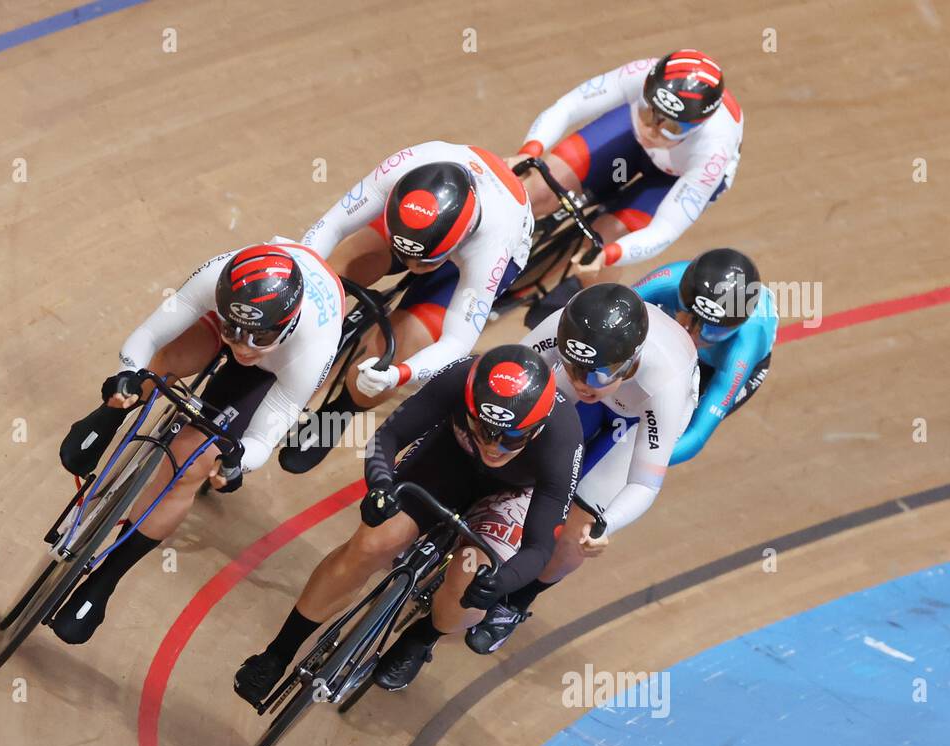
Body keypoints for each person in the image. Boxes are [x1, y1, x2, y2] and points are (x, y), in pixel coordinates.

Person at [234, 344, 584, 704]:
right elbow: (388, 437)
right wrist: (381, 488)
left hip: (510, 493)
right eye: (481, 429)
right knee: (370, 545)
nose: (493, 446)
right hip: (448, 464)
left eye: (511, 438)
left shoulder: (564, 435)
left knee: (467, 593)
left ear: (537, 429)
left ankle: (422, 636)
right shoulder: (460, 375)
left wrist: (500, 582)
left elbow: (540, 547)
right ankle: (278, 653)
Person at [50, 243, 345, 644]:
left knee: (192, 463)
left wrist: (236, 461)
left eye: (258, 338)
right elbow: (150, 336)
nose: (242, 346)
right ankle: (109, 414)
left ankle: (105, 580)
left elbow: (262, 436)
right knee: (162, 365)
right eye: (232, 331)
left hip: (277, 369)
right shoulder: (218, 277)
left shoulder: (313, 347)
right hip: (245, 314)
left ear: (288, 326)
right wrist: (127, 376)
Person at [465, 283, 698, 653]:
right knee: (512, 434)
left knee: (579, 530)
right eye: (572, 366)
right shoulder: (566, 330)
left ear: (630, 362)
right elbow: (510, 373)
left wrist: (608, 524)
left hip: (639, 417)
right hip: (605, 394)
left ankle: (516, 601)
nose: (580, 381)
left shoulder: (665, 383)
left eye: (595, 374)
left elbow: (644, 483)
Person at [277, 141, 535, 473]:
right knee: (333, 274)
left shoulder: (492, 247)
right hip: (419, 225)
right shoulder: (406, 167)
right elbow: (332, 226)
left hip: (485, 251)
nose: (410, 264)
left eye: (422, 261)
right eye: (406, 254)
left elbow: (456, 342)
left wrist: (400, 373)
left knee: (391, 351)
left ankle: (341, 409)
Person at [507, 50, 744, 319]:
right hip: (628, 139)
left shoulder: (714, 149)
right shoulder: (641, 73)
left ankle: (589, 317)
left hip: (674, 177)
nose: (653, 129)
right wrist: (530, 151)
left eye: (671, 128)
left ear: (697, 127)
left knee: (603, 245)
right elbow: (569, 106)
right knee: (533, 188)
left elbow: (665, 229)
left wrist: (610, 254)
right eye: (649, 111)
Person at [633, 248, 777, 463]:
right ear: (679, 298)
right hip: (680, 340)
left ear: (735, 327)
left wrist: (639, 461)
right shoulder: (671, 279)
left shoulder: (745, 345)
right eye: (687, 317)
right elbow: (608, 308)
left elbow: (697, 435)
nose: (693, 334)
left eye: (712, 331)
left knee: (668, 425)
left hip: (716, 367)